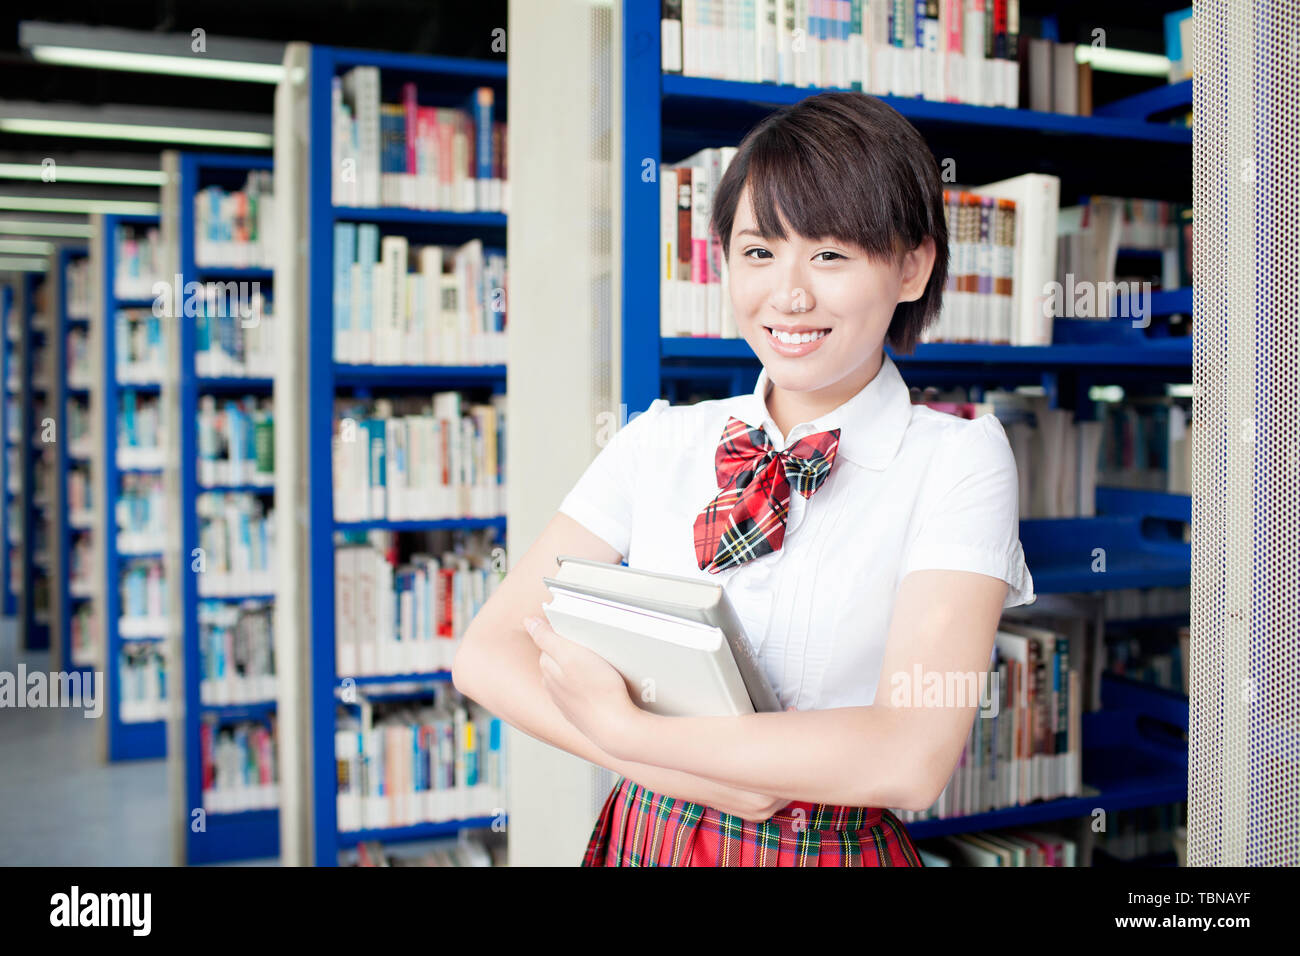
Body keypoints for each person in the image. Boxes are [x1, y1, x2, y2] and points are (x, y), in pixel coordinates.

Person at [452, 90, 1035, 866]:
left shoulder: (959, 460)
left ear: (912, 266)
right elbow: (487, 653)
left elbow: (910, 756)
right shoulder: (659, 441)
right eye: (759, 252)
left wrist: (629, 727)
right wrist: (666, 765)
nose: (788, 295)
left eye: (831, 253)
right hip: (647, 834)